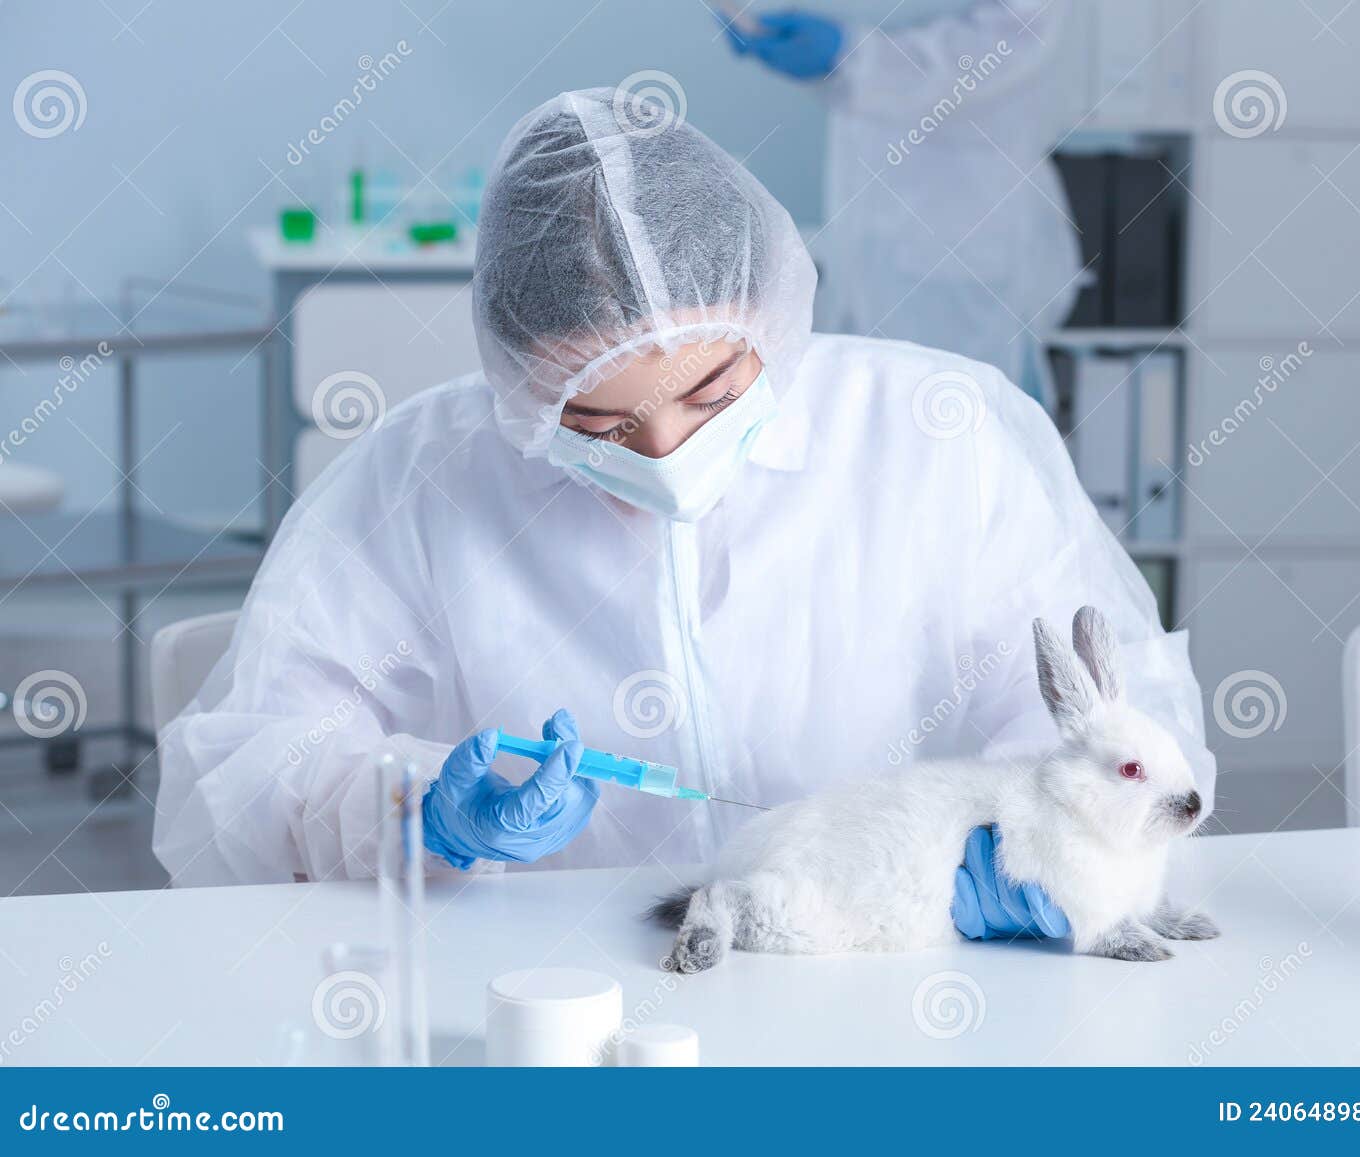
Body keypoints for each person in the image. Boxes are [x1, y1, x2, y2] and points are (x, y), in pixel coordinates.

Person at [154, 88, 1210, 942]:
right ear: (518, 387)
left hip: (894, 963)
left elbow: (1120, 718)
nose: (667, 450)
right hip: (548, 991)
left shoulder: (937, 433)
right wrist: (425, 812)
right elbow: (253, 773)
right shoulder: (422, 478)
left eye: (711, 395)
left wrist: (1017, 848)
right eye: (601, 422)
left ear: (776, 315)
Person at [723, 1, 1081, 400]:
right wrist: (785, 38)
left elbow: (1001, 44)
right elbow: (863, 85)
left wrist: (850, 53)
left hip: (965, 247)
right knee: (876, 413)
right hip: (870, 235)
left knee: (965, 421)